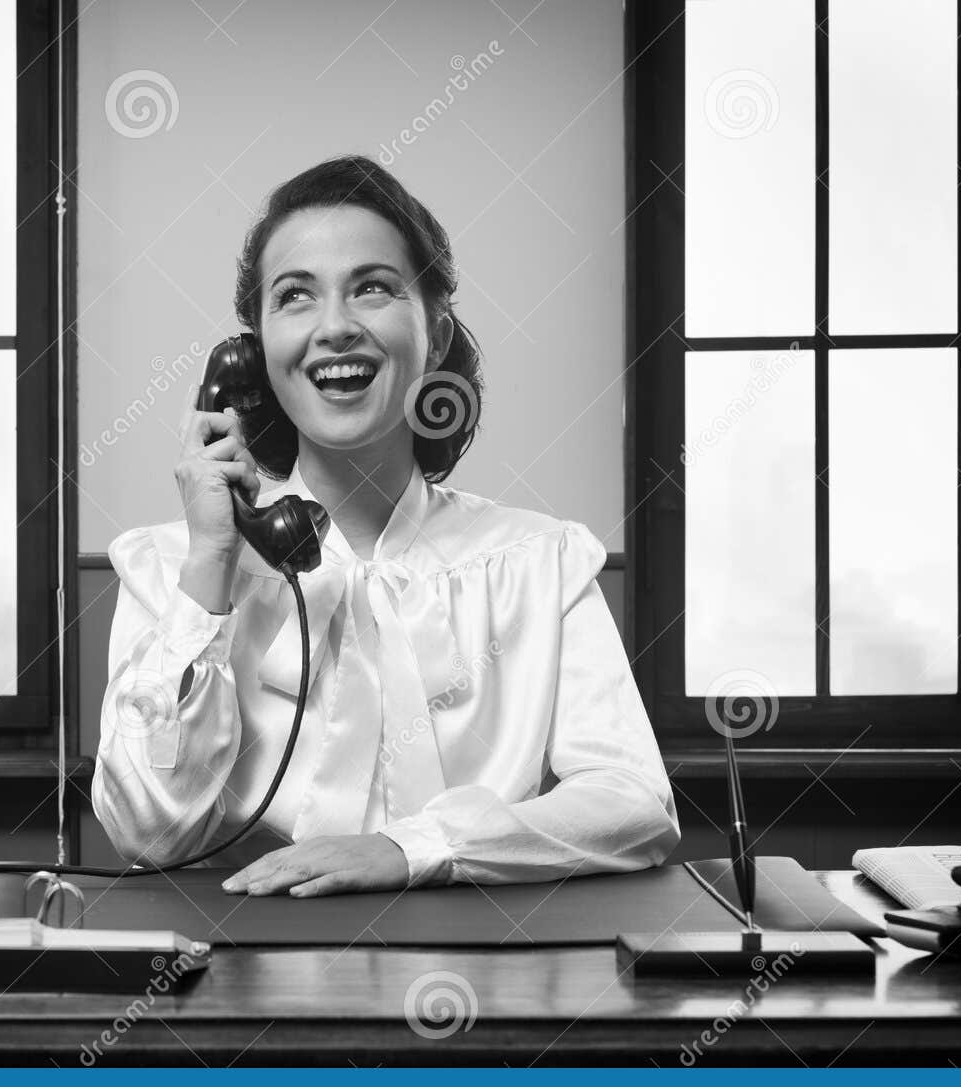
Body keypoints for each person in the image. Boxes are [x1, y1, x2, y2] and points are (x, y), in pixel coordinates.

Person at [92, 155, 679, 898]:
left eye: (372, 288)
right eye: (295, 296)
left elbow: (635, 805)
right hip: (240, 954)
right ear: (253, 356)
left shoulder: (540, 561)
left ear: (434, 331)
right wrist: (212, 560)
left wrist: (415, 848)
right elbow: (146, 834)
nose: (336, 327)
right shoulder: (171, 566)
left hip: (485, 955)